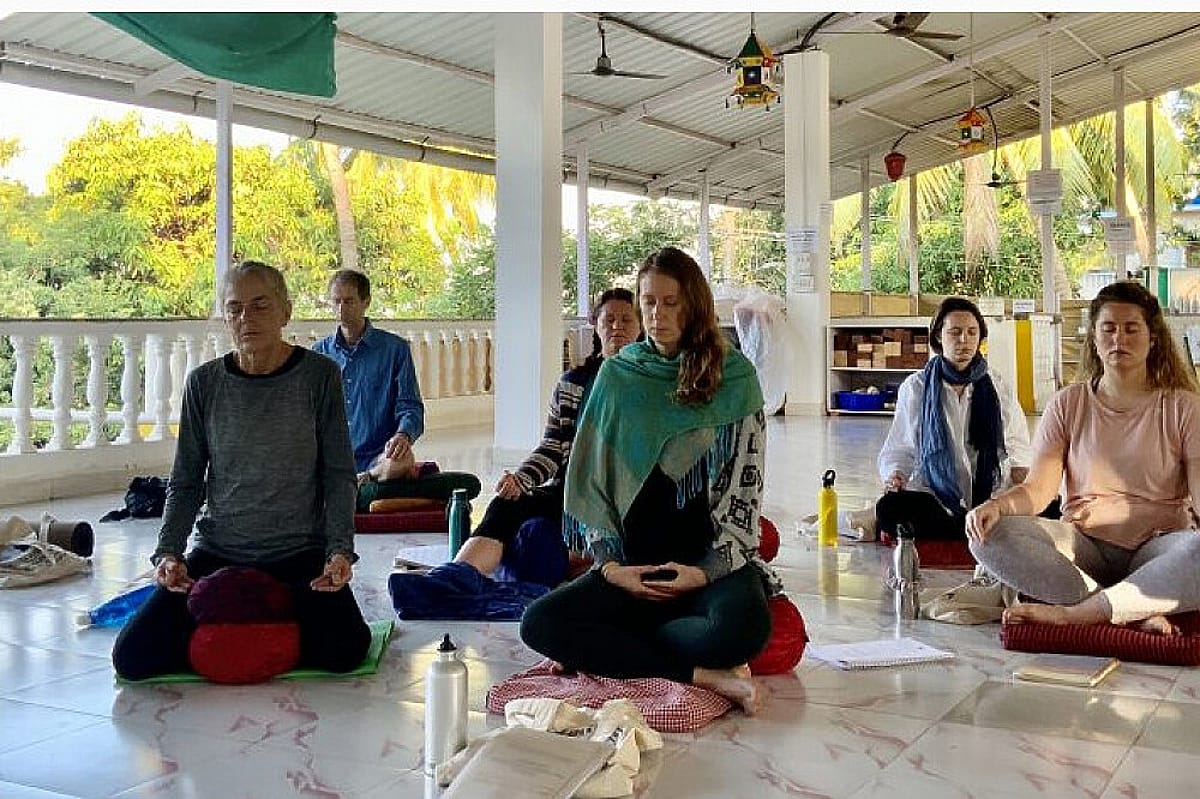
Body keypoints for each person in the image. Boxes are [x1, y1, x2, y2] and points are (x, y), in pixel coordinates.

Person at [520, 247, 780, 714]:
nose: (657, 314)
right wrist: (614, 570)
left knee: (740, 632)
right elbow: (591, 484)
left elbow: (746, 492)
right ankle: (701, 676)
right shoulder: (618, 376)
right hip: (634, 569)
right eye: (648, 302)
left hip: (707, 562)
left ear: (694, 304)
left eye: (670, 302)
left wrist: (702, 572)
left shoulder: (734, 376)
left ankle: (623, 647)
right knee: (539, 624)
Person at [112, 261, 370, 680]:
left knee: (346, 650)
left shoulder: (320, 376)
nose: (246, 319)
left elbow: (339, 473)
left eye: (260, 306)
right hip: (220, 552)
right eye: (234, 309)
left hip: (298, 552)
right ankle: (255, 617)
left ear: (285, 312)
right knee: (133, 656)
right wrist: (169, 553)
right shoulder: (204, 383)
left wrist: (338, 551)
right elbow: (187, 479)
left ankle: (254, 615)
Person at [965, 281, 1200, 634]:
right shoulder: (1068, 403)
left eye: (1131, 329)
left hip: (1159, 547)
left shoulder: (1183, 407)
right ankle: (1127, 606)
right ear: (1094, 338)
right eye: (1108, 328)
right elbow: (1038, 490)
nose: (1119, 339)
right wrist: (996, 507)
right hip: (1082, 547)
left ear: (1153, 339)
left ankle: (1074, 615)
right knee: (989, 535)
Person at [454, 288, 641, 577]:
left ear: (640, 325)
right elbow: (554, 446)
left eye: (627, 320)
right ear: (595, 324)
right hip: (570, 493)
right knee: (507, 503)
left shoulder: (650, 384)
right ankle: (456, 579)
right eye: (609, 320)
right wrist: (522, 480)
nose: (617, 327)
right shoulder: (574, 383)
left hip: (625, 498)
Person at [876, 296, 1031, 541]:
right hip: (935, 497)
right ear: (939, 336)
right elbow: (901, 447)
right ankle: (971, 529)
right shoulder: (916, 387)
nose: (964, 341)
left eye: (972, 332)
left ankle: (972, 525)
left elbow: (1016, 441)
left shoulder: (997, 385)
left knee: (1052, 505)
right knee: (889, 509)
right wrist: (896, 475)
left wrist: (1023, 478)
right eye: (955, 332)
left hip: (991, 497)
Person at [313, 269, 425, 478]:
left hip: (380, 456)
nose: (341, 308)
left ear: (366, 302)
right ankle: (363, 486)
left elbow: (410, 405)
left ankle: (366, 478)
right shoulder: (319, 353)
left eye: (349, 301)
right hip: (332, 457)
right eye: (336, 301)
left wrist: (403, 435)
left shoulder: (395, 349)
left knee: (403, 461)